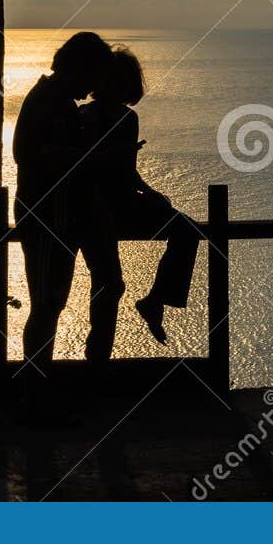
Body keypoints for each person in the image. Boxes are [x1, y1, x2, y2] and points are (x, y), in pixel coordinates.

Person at [12, 30, 112, 389]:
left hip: (58, 216)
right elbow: (29, 155)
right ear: (80, 68)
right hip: (44, 216)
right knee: (45, 304)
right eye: (95, 75)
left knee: (50, 303)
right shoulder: (48, 101)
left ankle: (40, 386)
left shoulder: (56, 100)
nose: (96, 86)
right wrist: (91, 157)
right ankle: (35, 389)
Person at [82, 46, 200, 345]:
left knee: (187, 230)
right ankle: (98, 358)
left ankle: (156, 298)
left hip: (125, 201)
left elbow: (128, 170)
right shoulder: (86, 116)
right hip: (95, 208)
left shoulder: (128, 118)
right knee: (108, 284)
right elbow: (85, 168)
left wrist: (150, 191)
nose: (119, 89)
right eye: (115, 81)